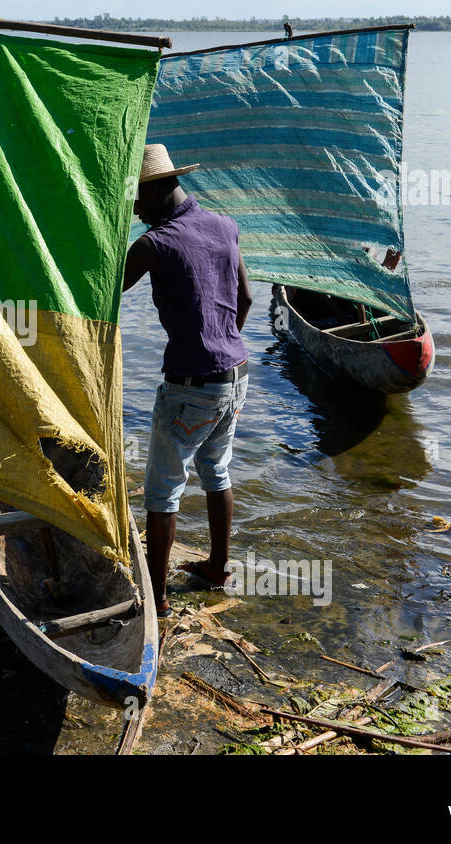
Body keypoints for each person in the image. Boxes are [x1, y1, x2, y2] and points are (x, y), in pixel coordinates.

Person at [123, 144, 253, 617]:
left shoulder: (155, 244)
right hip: (236, 375)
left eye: (137, 197)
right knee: (217, 472)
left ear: (158, 188)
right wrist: (219, 341)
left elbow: (105, 288)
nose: (135, 208)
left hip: (191, 387)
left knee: (162, 492)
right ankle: (217, 568)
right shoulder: (225, 225)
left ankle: (155, 600)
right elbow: (247, 299)